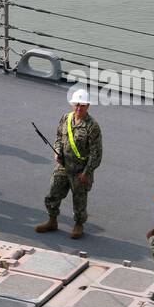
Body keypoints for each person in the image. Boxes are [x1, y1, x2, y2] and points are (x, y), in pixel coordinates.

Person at [35, 87, 103, 240]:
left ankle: (78, 224)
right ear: (73, 104)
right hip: (63, 166)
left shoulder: (92, 127)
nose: (79, 108)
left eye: (83, 105)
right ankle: (52, 221)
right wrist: (57, 151)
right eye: (77, 105)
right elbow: (59, 136)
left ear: (88, 106)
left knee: (79, 200)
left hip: (80, 170)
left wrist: (87, 172)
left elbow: (96, 154)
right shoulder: (65, 118)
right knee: (53, 193)